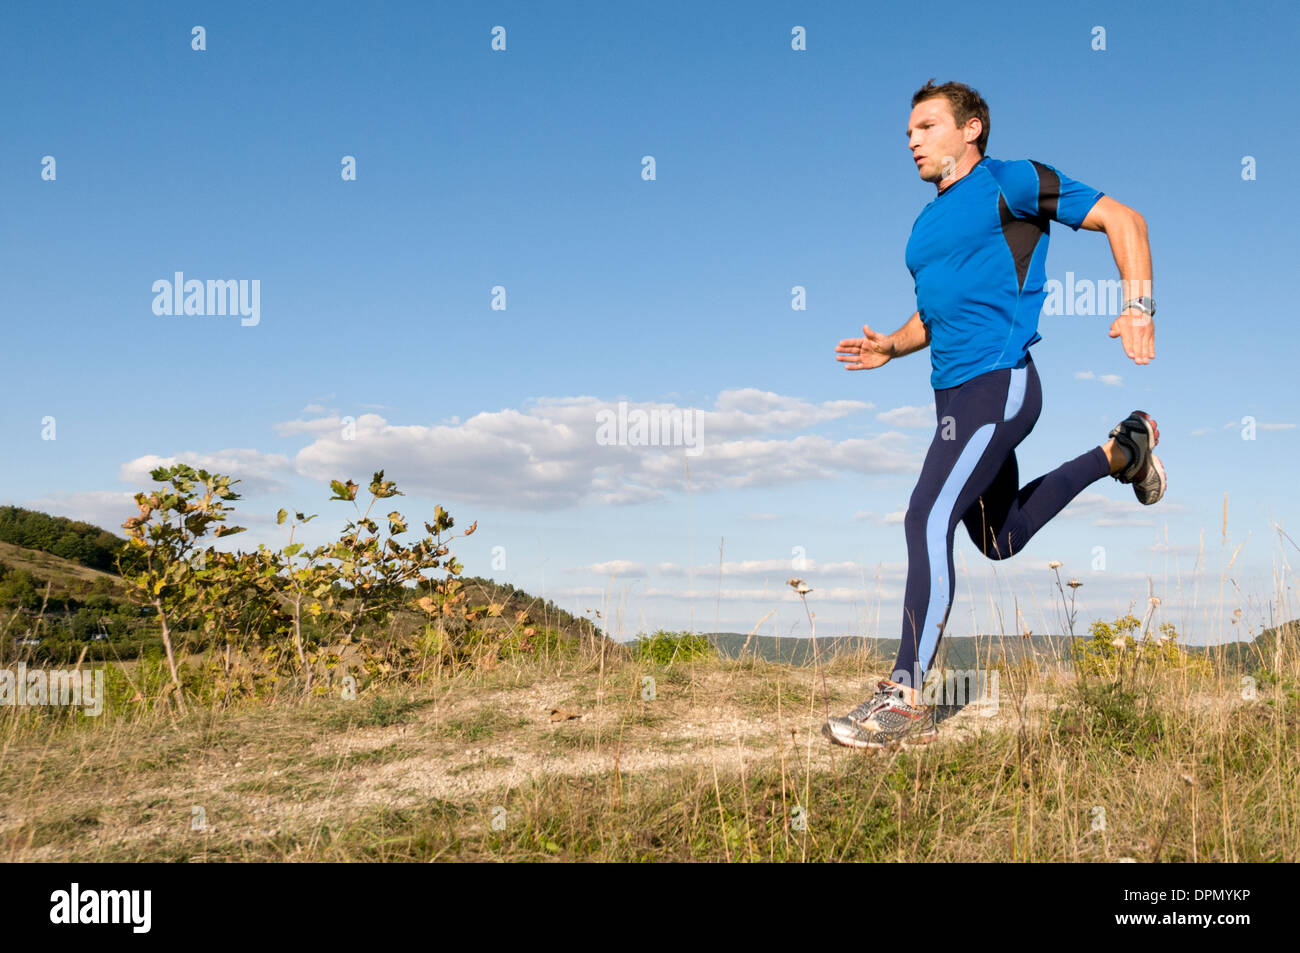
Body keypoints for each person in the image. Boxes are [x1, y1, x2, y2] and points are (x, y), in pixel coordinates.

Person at [824, 79, 1164, 750]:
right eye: (908, 132)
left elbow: (1126, 220)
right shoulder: (926, 225)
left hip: (999, 384)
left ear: (970, 129)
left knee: (926, 514)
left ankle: (904, 695)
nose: (912, 140)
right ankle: (1123, 450)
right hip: (951, 398)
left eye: (925, 126)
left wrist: (1138, 306)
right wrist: (893, 344)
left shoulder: (1013, 181)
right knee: (999, 537)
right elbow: (940, 305)